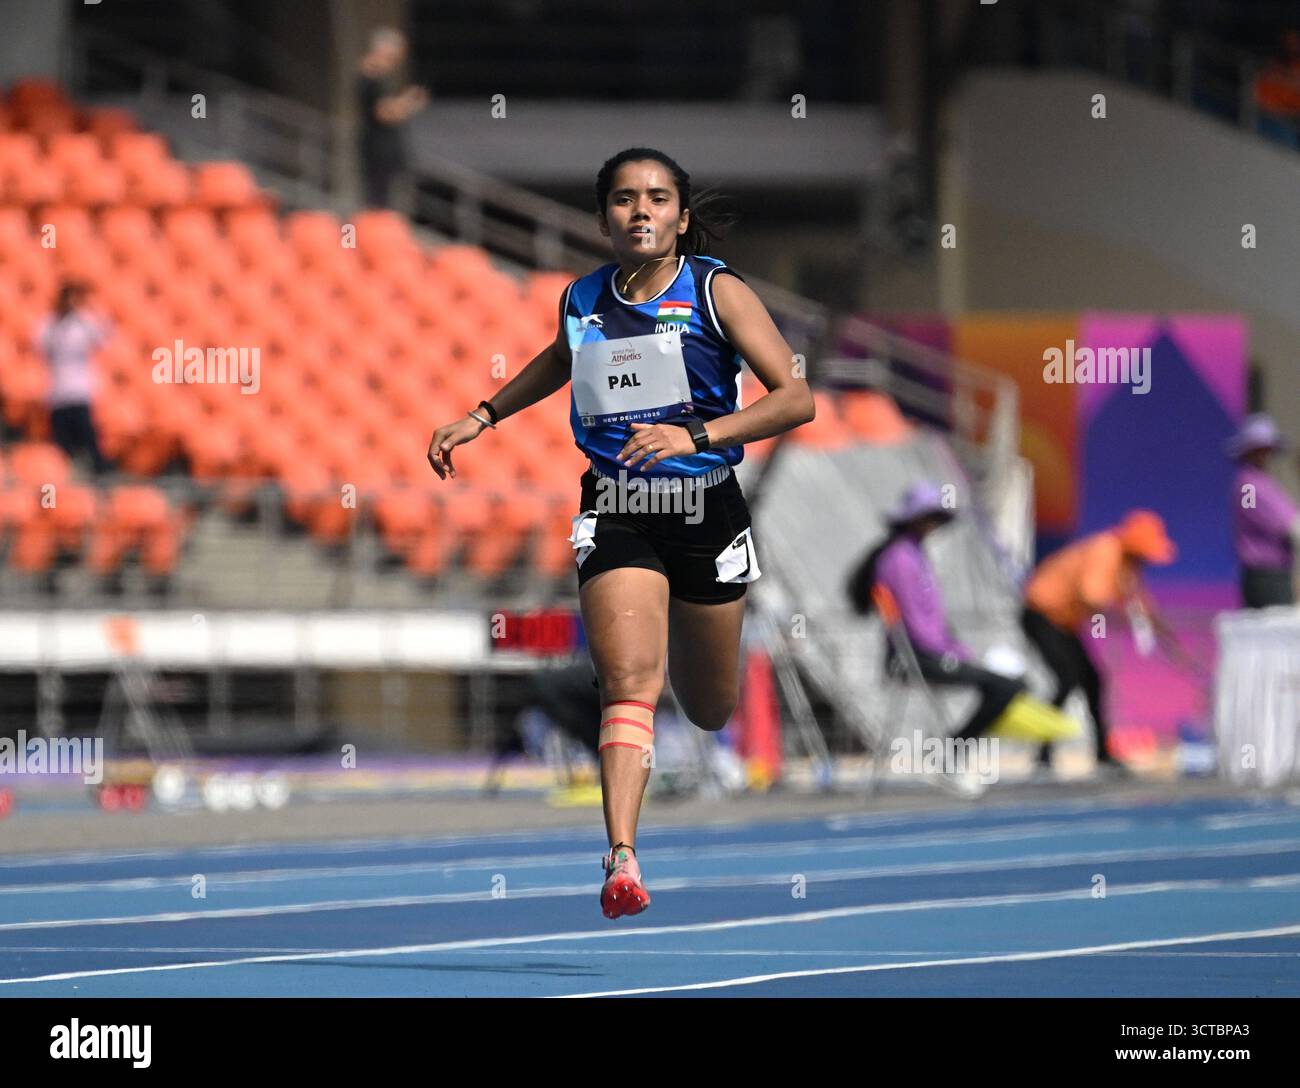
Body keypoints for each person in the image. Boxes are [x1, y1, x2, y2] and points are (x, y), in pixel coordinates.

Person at [427, 148, 815, 918]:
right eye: (625, 199)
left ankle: (681, 686)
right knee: (628, 682)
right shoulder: (582, 297)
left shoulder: (716, 290)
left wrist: (696, 437)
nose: (641, 211)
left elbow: (795, 399)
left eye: (658, 198)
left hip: (705, 505)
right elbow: (561, 360)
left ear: (680, 215)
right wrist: (482, 414)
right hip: (616, 505)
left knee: (708, 706)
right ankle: (623, 858)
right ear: (604, 215)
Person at [847, 483, 1034, 745]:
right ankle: (952, 749)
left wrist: (957, 650)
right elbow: (916, 627)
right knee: (1005, 687)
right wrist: (955, 654)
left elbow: (931, 621)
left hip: (929, 654)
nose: (934, 524)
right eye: (930, 517)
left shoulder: (914, 554)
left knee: (1012, 682)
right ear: (915, 519)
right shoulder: (900, 559)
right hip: (915, 658)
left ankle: (952, 749)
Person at [1020, 510, 1178, 776]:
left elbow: (1140, 603)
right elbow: (1091, 597)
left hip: (1063, 623)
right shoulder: (1105, 550)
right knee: (1067, 678)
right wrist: (1126, 621)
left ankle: (1101, 754)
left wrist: (1161, 631)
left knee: (1093, 680)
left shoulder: (1127, 564)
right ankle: (1043, 752)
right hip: (1042, 616)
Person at [32, 280, 112, 476]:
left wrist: (91, 310)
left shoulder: (84, 323)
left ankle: (96, 471)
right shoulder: (50, 324)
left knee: (87, 435)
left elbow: (105, 336)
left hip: (79, 390)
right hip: (58, 391)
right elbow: (41, 347)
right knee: (62, 440)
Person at [1227, 414, 1298, 607]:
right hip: (1264, 574)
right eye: (1259, 449)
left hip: (1277, 571)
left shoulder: (1265, 483)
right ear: (1248, 451)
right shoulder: (1248, 486)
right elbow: (1280, 522)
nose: (1265, 454)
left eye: (1267, 449)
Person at [356, 27, 429, 211]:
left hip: (387, 147)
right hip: (378, 147)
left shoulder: (382, 77)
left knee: (387, 197)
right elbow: (384, 113)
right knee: (377, 199)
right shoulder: (372, 76)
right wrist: (410, 103)